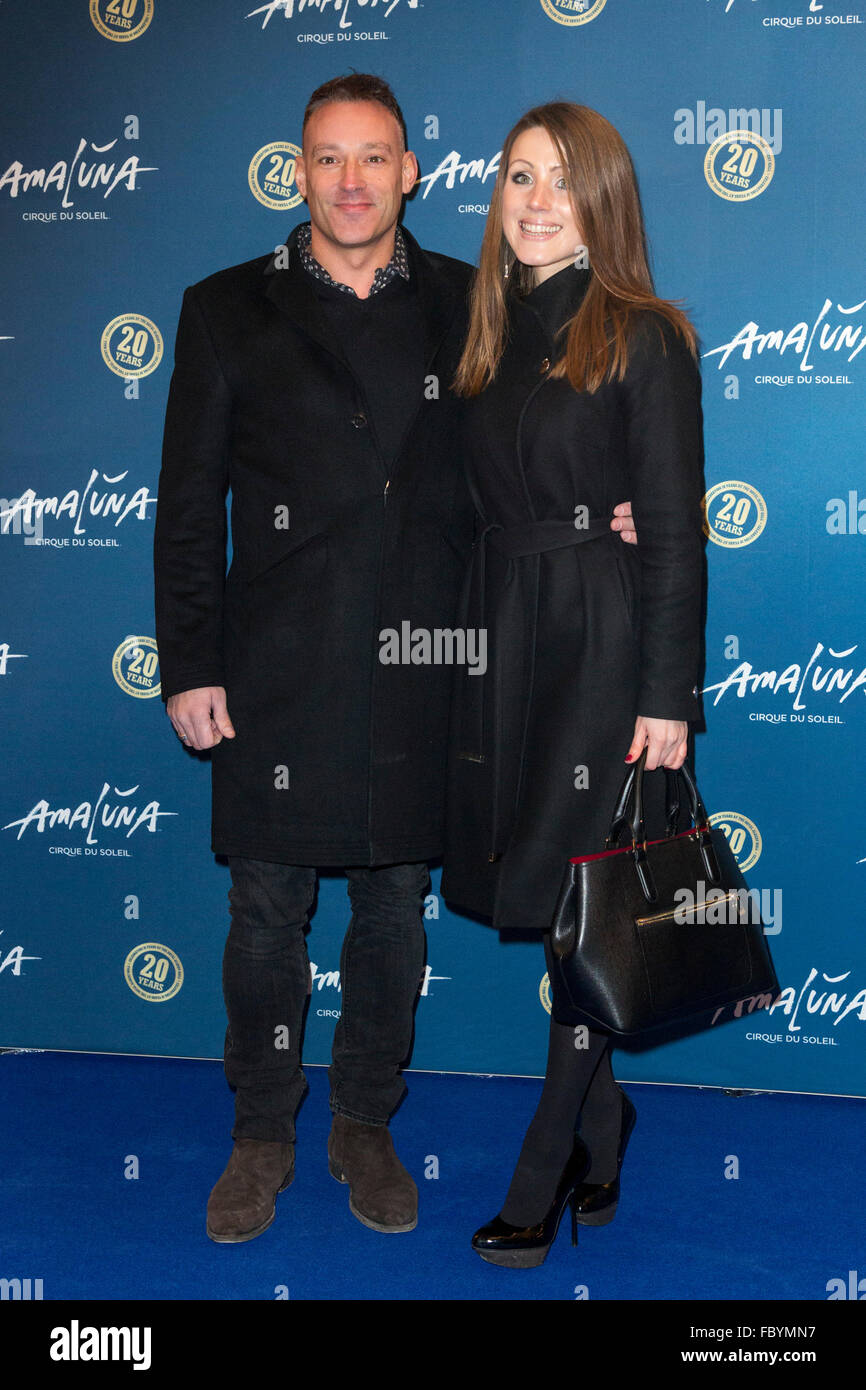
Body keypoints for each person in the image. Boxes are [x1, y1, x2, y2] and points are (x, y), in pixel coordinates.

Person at [154, 75, 637, 1246]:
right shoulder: (224, 308)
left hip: (428, 665)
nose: (352, 181)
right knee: (266, 916)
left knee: (392, 915)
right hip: (274, 671)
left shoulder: (470, 304)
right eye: (329, 159)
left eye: (375, 158)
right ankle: (263, 1130)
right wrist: (188, 662)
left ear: (411, 171)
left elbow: (538, 437)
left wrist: (606, 510)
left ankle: (363, 1122)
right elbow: (185, 508)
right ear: (298, 169)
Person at [441, 102, 706, 1267]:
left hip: (601, 645)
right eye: (515, 178)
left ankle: (544, 1161)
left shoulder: (644, 334)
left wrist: (667, 697)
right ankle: (609, 1121)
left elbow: (675, 538)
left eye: (560, 181)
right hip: (501, 638)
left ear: (602, 200)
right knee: (554, 904)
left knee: (582, 902)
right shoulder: (483, 334)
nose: (535, 201)